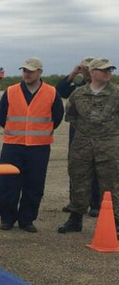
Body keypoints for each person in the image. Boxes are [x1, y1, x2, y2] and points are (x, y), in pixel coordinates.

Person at [0, 57, 63, 232]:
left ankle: (27, 220)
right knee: (7, 185)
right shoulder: (10, 91)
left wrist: (37, 132)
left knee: (34, 185)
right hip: (13, 145)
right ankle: (7, 218)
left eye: (31, 71)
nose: (27, 74)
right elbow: (1, 117)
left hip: (39, 147)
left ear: (40, 72)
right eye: (24, 70)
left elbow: (57, 117)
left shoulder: (51, 92)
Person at [58, 58, 119, 237]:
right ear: (92, 73)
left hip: (108, 147)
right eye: (103, 70)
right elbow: (71, 116)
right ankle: (75, 219)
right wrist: (87, 133)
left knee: (111, 185)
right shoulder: (78, 94)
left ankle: (115, 220)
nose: (107, 73)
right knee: (79, 181)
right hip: (82, 146)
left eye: (109, 70)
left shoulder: (116, 94)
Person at [56, 57, 101, 217]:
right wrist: (73, 74)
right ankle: (75, 202)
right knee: (76, 169)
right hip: (77, 134)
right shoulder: (78, 87)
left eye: (90, 69)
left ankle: (96, 203)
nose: (88, 72)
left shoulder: (102, 88)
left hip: (98, 136)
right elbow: (60, 91)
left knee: (96, 169)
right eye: (85, 69)